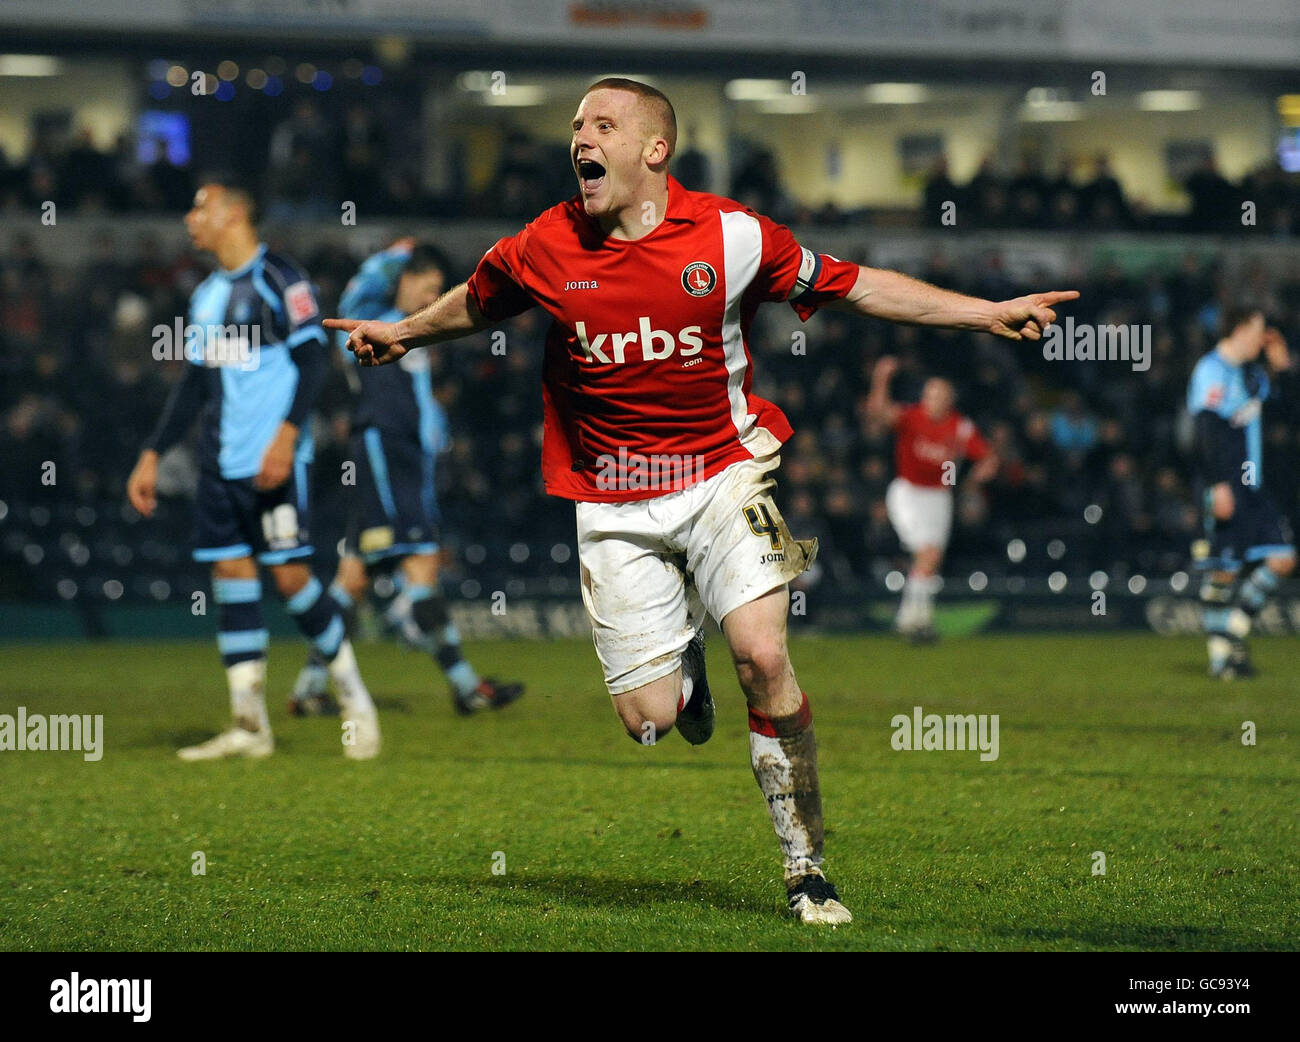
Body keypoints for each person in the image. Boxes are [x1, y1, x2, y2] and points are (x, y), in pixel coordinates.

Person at [329, 78, 1077, 923]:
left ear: (655, 149)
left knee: (762, 654)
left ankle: (806, 869)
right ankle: (682, 673)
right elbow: (480, 298)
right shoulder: (546, 242)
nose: (581, 137)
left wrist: (985, 314)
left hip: (724, 472)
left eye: (602, 124)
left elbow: (856, 284)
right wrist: (401, 331)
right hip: (611, 499)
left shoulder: (731, 236)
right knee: (648, 723)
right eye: (577, 125)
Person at [126, 174, 380, 760]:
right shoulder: (209, 295)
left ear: (234, 213)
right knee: (232, 583)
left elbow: (315, 361)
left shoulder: (280, 278)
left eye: (200, 207)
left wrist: (287, 440)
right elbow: (194, 386)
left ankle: (355, 701)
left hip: (273, 461)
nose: (190, 218)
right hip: (220, 467)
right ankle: (248, 725)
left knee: (291, 580)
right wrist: (151, 453)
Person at [289, 240, 524, 716]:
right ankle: (465, 688)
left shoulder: (419, 337)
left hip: (405, 467)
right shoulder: (367, 322)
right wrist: (402, 250)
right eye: (430, 287)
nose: (432, 297)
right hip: (383, 462)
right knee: (421, 569)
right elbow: (361, 286)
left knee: (350, 583)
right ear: (406, 280)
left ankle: (309, 689)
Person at [1188, 306, 1294, 679]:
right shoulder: (1211, 369)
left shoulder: (1252, 374)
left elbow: (1285, 411)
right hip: (1226, 485)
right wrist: (1217, 485)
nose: (1263, 339)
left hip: (1255, 484)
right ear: (1241, 328)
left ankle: (1232, 632)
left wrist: (1282, 369)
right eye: (1259, 330)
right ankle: (1221, 660)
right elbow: (1203, 431)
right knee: (1224, 572)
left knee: (1282, 557)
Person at [867, 357, 998, 642]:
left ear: (949, 399)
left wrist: (974, 481)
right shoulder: (912, 417)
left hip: (939, 497)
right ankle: (917, 621)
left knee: (931, 560)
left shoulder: (959, 427)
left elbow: (988, 458)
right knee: (926, 555)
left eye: (939, 395)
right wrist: (881, 379)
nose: (933, 399)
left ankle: (912, 620)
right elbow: (879, 414)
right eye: (930, 393)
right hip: (908, 492)